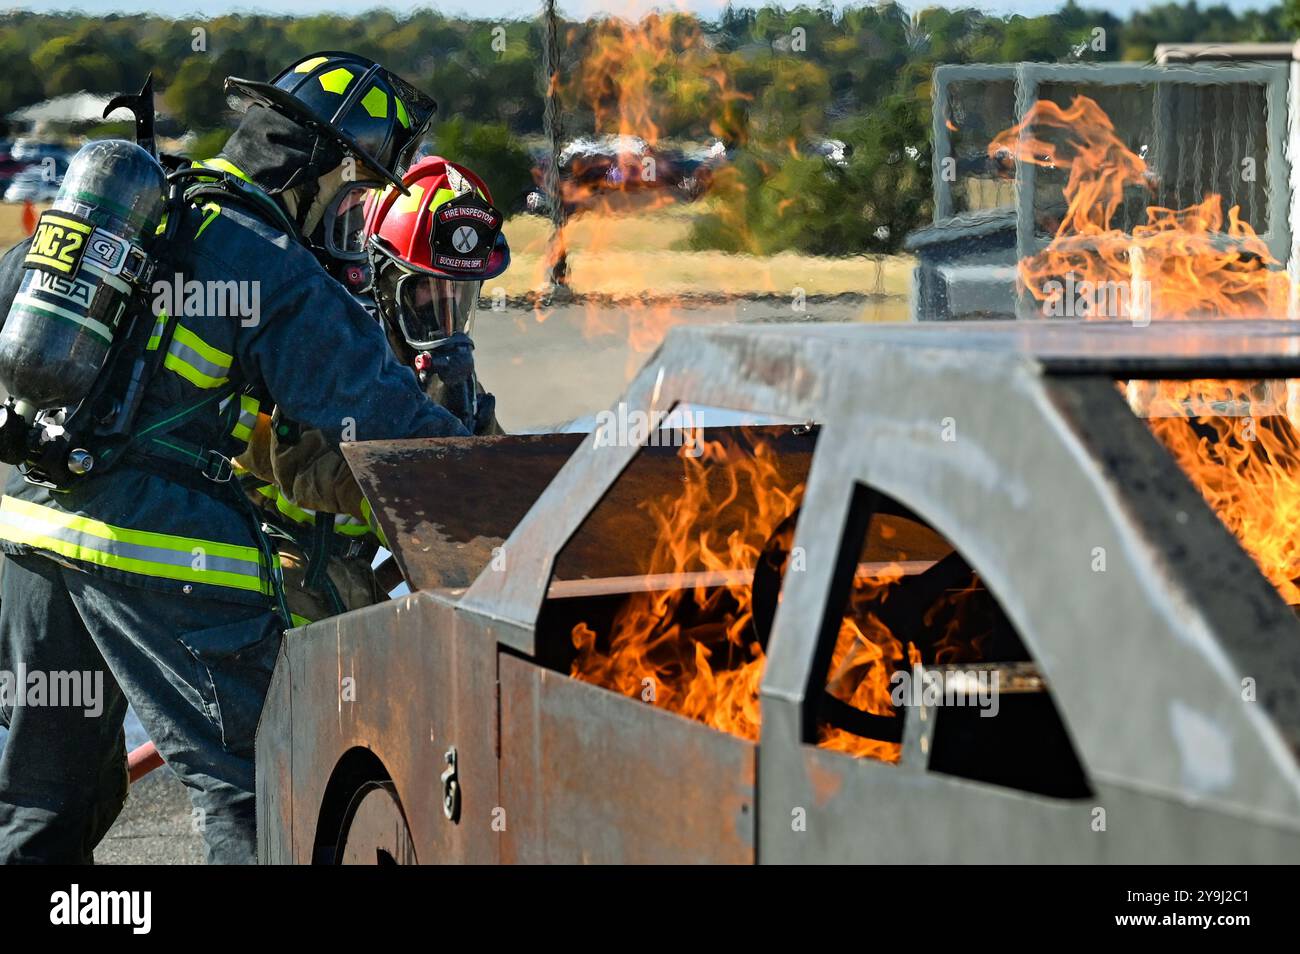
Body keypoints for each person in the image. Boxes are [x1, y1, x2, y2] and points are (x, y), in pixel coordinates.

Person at [0, 52, 465, 864]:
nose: (348, 221)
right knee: (258, 785)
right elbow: (379, 418)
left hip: (26, 531)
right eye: (352, 198)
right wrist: (485, 474)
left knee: (44, 803)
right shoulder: (257, 251)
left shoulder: (138, 213)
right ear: (316, 165)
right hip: (149, 549)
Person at [234, 156, 511, 621]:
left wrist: (473, 420)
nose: (444, 313)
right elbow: (303, 467)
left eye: (459, 295)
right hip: (269, 550)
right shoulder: (333, 344)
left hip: (345, 567)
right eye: (424, 290)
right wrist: (405, 509)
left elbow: (493, 489)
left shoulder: (439, 364)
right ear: (380, 279)